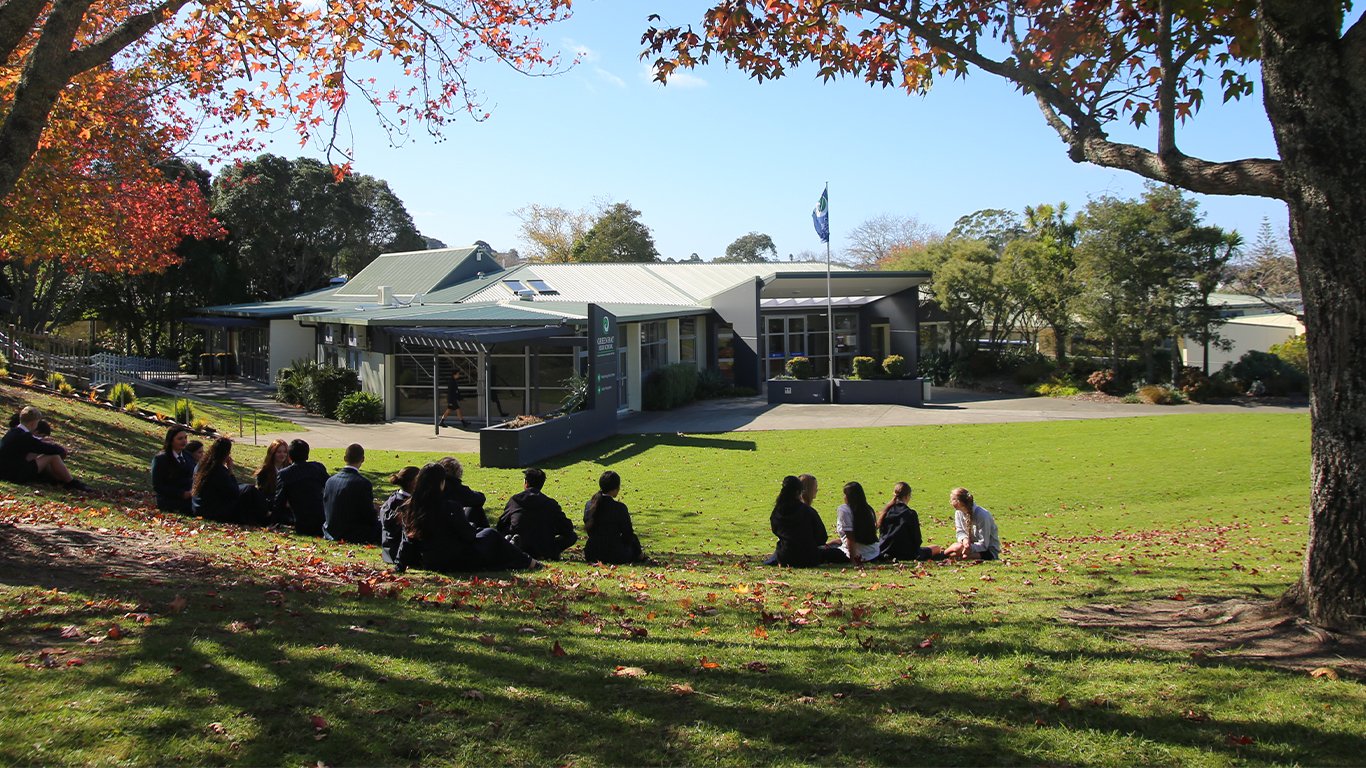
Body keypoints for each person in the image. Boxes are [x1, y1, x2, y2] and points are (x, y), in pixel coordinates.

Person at [397, 463, 537, 572]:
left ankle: (514, 551)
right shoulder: (449, 507)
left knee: (488, 536)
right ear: (440, 483)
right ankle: (528, 561)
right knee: (491, 534)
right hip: (455, 559)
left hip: (431, 561)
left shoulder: (410, 508)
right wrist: (472, 527)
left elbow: (407, 540)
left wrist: (400, 565)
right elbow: (468, 535)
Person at [0, 406, 88, 491]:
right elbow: (47, 449)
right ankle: (71, 482)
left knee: (42, 454)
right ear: (32, 423)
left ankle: (57, 479)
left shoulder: (14, 432)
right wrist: (61, 449)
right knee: (52, 456)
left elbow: (36, 444)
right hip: (13, 474)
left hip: (6, 470)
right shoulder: (24, 437)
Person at [496, 467, 577, 560]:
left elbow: (501, 525)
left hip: (521, 544)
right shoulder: (550, 504)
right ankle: (550, 552)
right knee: (572, 536)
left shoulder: (515, 501)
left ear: (526, 483)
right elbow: (567, 528)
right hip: (545, 547)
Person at [190, 437, 267, 523]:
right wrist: (230, 470)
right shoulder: (218, 470)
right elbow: (234, 492)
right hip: (212, 511)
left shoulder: (201, 465)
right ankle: (266, 514)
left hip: (199, 507)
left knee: (246, 487)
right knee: (249, 490)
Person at [583, 470, 645, 565]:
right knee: (633, 538)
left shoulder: (589, 505)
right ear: (615, 488)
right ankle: (640, 556)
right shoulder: (619, 508)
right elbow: (627, 534)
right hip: (615, 554)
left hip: (592, 553)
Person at [767, 475, 828, 567]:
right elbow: (822, 537)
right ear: (798, 492)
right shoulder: (807, 511)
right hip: (809, 557)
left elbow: (775, 529)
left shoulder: (778, 511)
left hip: (785, 556)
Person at [323, 443, 379, 543]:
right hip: (352, 533)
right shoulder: (363, 483)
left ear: (345, 458)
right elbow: (368, 515)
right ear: (362, 459)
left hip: (330, 530)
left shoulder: (330, 481)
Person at [272, 439, 329, 534]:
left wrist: (274, 521)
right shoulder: (317, 468)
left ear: (289, 456)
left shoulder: (285, 474)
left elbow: (279, 501)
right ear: (307, 455)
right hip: (322, 519)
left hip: (301, 523)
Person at [875, 482, 936, 561]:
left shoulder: (885, 512)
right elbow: (917, 539)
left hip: (885, 551)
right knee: (936, 548)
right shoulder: (910, 513)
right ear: (907, 496)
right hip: (906, 553)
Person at [942, 487, 1002, 561]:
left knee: (959, 552)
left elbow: (984, 544)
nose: (950, 502)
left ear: (958, 502)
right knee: (958, 548)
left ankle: (942, 556)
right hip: (969, 546)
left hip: (987, 551)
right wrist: (965, 540)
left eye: (952, 500)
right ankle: (942, 555)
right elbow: (960, 531)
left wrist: (969, 548)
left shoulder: (982, 515)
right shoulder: (958, 512)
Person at [831, 481, 880, 565]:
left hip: (857, 554)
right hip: (873, 553)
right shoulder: (868, 510)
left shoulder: (844, 510)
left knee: (822, 553)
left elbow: (850, 537)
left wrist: (854, 561)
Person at [379, 466, 419, 565]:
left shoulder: (391, 500)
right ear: (412, 483)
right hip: (402, 555)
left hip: (388, 552)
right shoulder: (410, 504)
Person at [150, 426, 194, 513]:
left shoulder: (188, 456)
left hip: (190, 497)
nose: (184, 441)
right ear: (171, 440)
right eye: (180, 438)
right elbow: (158, 486)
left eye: (185, 438)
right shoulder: (161, 459)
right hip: (170, 501)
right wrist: (181, 494)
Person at [439, 456, 489, 529]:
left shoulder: (431, 487)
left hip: (438, 527)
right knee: (476, 508)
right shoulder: (456, 488)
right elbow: (480, 499)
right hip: (452, 529)